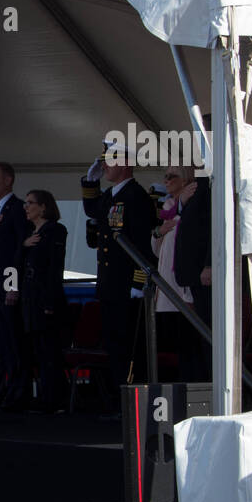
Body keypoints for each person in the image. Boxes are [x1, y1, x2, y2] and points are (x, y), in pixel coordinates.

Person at [82, 140, 157, 399]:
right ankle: (117, 401)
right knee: (113, 343)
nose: (104, 165)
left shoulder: (136, 196)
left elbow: (142, 243)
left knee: (127, 347)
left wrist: (138, 282)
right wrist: (90, 185)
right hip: (110, 283)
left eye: (109, 161)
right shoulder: (110, 195)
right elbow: (94, 211)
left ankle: (129, 401)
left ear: (125, 163)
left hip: (126, 284)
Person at [0, 161, 30, 409]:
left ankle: (18, 393)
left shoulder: (17, 209)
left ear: (8, 180)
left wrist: (12, 285)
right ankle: (4, 391)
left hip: (7, 289)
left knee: (13, 343)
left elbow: (17, 250)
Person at [20, 191, 68, 411]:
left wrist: (50, 302)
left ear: (43, 207)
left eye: (30, 203)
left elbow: (53, 269)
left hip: (46, 299)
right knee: (37, 351)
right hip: (30, 297)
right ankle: (43, 396)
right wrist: (23, 245)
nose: (26, 207)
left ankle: (54, 398)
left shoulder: (55, 231)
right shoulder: (30, 233)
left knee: (50, 351)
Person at [149, 165, 194, 380]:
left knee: (186, 342)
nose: (166, 180)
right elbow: (157, 250)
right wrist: (159, 231)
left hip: (182, 287)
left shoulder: (189, 206)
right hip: (165, 285)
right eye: (165, 177)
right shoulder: (167, 207)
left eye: (172, 176)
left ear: (185, 181)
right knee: (166, 342)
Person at [172, 167, 212, 381]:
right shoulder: (198, 187)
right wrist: (180, 203)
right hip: (192, 274)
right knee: (199, 337)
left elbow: (216, 227)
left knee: (209, 335)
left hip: (205, 275)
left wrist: (210, 264)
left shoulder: (214, 184)